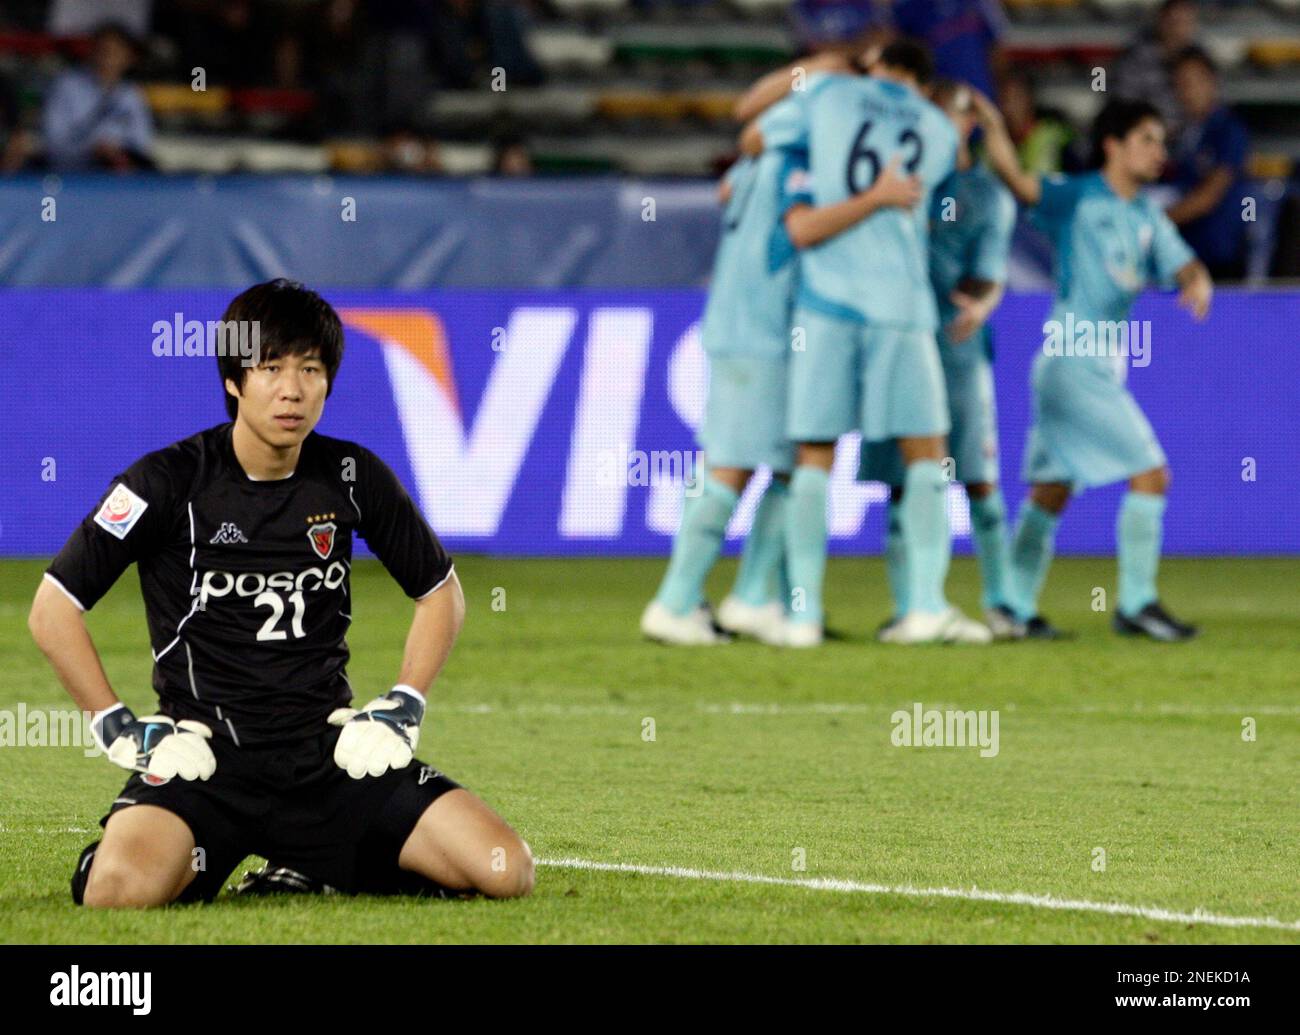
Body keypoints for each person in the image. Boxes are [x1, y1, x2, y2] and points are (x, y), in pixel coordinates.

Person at [28, 279, 534, 906]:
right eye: (270, 368)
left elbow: (440, 592)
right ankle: (148, 849)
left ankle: (312, 862)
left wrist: (404, 703)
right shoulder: (165, 481)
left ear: (328, 382)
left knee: (506, 869)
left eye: (310, 369)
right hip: (204, 760)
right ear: (234, 382)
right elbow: (54, 608)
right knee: (116, 893)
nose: (292, 389)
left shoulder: (353, 476)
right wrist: (117, 725)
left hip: (327, 755)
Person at [643, 87, 921, 647]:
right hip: (762, 329)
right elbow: (802, 229)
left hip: (749, 324)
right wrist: (879, 197)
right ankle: (674, 602)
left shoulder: (753, 165)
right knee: (733, 464)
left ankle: (752, 596)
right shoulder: (795, 162)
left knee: (790, 462)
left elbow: (733, 193)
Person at [744, 39, 990, 646]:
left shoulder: (828, 95)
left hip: (825, 303)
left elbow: (752, 137)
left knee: (814, 456)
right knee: (927, 453)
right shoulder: (935, 124)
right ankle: (926, 607)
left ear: (885, 67)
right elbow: (939, 187)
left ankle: (801, 616)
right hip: (901, 307)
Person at [973, 94, 1213, 641]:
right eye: (1147, 140)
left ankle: (1011, 607)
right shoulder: (1077, 198)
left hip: (1099, 362)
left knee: (1050, 491)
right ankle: (1136, 603)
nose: (1159, 152)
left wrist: (1196, 280)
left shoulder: (1147, 215)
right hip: (1072, 358)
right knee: (1152, 475)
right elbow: (1015, 176)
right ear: (1113, 145)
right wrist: (993, 126)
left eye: (1161, 141)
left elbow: (1182, 262)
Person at [860, 79, 1019, 639]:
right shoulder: (898, 183)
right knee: (903, 481)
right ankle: (912, 607)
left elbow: (987, 271)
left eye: (949, 117)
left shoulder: (983, 194)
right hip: (897, 344)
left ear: (969, 123)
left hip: (955, 349)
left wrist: (981, 298)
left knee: (978, 481)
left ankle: (1004, 605)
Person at [1166, 46, 1251, 282]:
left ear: (1211, 82)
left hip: (1219, 256)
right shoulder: (1183, 134)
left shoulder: (1229, 130)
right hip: (1186, 253)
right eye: (1179, 84)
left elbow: (1208, 197)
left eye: (1191, 82)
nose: (1185, 92)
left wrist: (1158, 221)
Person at [42, 21, 154, 171]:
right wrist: (91, 150)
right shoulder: (66, 86)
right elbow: (53, 143)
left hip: (118, 177)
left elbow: (141, 143)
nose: (108, 58)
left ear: (129, 58)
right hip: (71, 176)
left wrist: (117, 153)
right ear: (91, 51)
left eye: (116, 52)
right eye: (104, 51)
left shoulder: (131, 94)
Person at [1112, 0, 1199, 140]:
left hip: (1190, 140)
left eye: (1186, 22)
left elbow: (1208, 105)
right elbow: (1125, 105)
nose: (1178, 29)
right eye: (1174, 22)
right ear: (1161, 21)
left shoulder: (1199, 59)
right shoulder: (1135, 59)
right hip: (1148, 136)